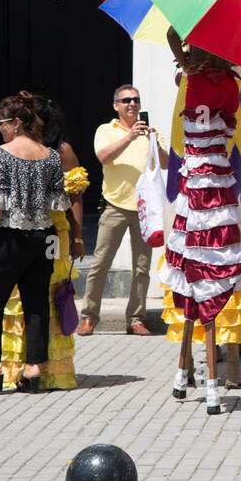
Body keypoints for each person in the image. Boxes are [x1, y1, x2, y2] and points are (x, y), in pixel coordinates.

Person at [159, 37, 241, 414]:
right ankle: (201, 380)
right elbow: (231, 132)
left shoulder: (188, 82)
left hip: (192, 189)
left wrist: (182, 54)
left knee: (190, 272)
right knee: (210, 275)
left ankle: (190, 376)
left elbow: (169, 35)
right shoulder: (231, 84)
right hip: (219, 192)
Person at [0, 93, 72, 394]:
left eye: (2, 123)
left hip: (11, 236)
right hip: (43, 236)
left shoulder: (0, 154)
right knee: (36, 302)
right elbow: (57, 202)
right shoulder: (50, 154)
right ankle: (33, 369)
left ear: (17, 122)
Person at [1, 95, 89, 391]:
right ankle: (18, 369)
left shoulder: (62, 150)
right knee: (17, 300)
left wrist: (77, 238)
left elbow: (76, 197)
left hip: (55, 233)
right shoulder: (15, 150)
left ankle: (49, 370)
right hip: (21, 232)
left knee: (50, 296)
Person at [77, 84, 169, 337]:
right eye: (126, 100)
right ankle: (88, 317)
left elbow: (166, 163)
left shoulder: (151, 131)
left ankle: (136, 319)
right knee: (101, 263)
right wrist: (129, 137)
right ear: (116, 105)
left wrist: (154, 142)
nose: (132, 104)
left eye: (136, 99)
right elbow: (104, 157)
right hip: (115, 205)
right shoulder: (106, 130)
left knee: (142, 267)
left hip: (144, 210)